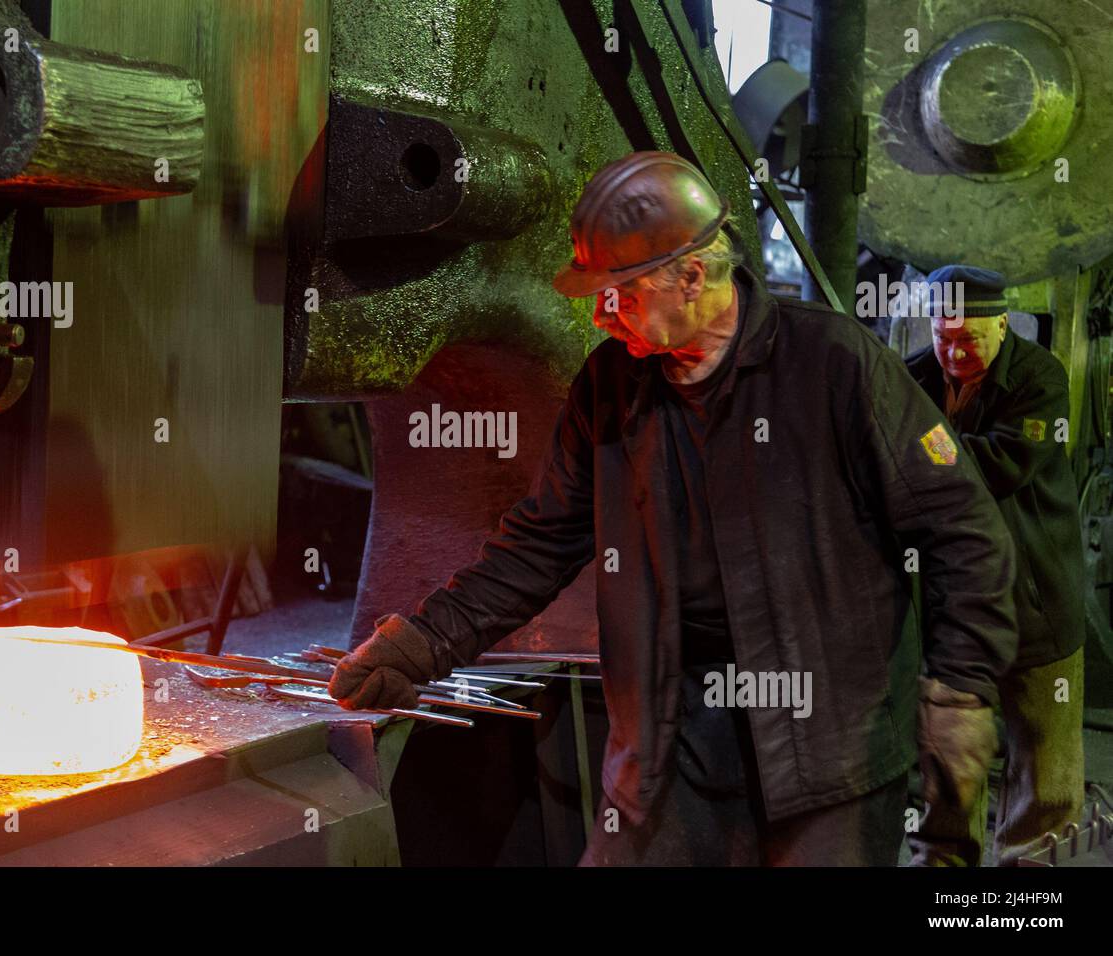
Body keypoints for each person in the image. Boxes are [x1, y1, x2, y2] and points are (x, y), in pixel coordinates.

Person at [331, 152, 1017, 865]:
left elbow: (964, 534)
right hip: (669, 745)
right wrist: (420, 644)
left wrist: (959, 689)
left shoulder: (835, 367)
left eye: (620, 292)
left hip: (824, 755)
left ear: (691, 277)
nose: (599, 312)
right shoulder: (611, 385)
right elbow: (540, 544)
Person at [905, 265, 1086, 866]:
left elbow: (1004, 464)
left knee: (1045, 777)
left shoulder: (1039, 378)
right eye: (943, 335)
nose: (954, 351)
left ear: (1003, 325)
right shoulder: (912, 379)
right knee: (950, 767)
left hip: (1036, 602)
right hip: (956, 611)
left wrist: (920, 450)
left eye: (970, 339)